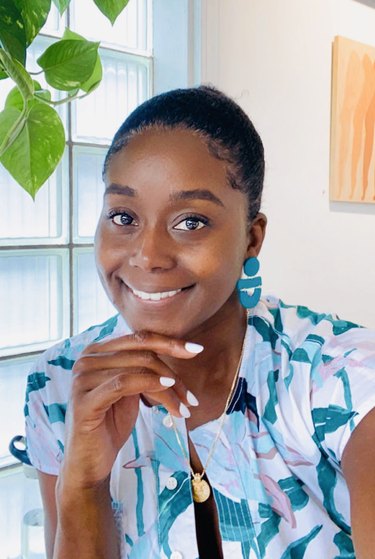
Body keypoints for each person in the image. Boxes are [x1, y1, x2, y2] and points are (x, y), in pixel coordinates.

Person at [24, 85, 375, 559]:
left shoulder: (337, 377)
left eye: (190, 222)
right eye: (124, 215)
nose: (147, 256)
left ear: (251, 239)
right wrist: (83, 484)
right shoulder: (61, 382)